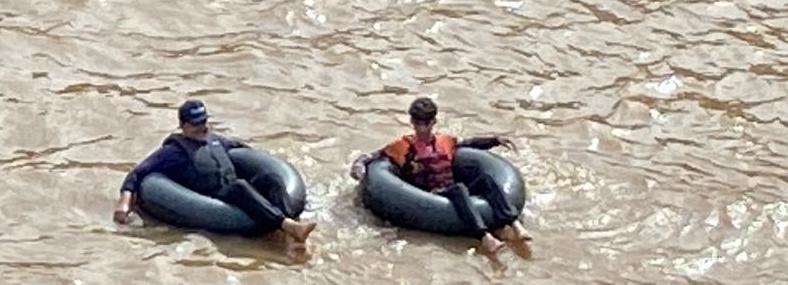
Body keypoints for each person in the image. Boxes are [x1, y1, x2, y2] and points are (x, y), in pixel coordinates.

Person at [114, 99, 318, 256]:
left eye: (204, 121)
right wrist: (124, 205)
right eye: (195, 124)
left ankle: (292, 231)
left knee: (272, 178)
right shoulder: (174, 152)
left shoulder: (216, 140)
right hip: (216, 196)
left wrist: (259, 160)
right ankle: (289, 227)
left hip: (236, 186)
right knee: (240, 187)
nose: (202, 127)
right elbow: (138, 173)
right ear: (183, 126)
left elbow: (243, 150)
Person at [349, 97, 529, 258]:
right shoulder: (404, 146)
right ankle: (484, 237)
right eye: (418, 123)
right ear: (412, 122)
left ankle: (513, 223)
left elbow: (467, 143)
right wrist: (358, 167)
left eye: (426, 124)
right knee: (460, 189)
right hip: (431, 194)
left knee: (487, 181)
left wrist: (494, 140)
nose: (422, 129)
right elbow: (373, 156)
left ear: (433, 122)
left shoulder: (444, 141)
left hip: (452, 188)